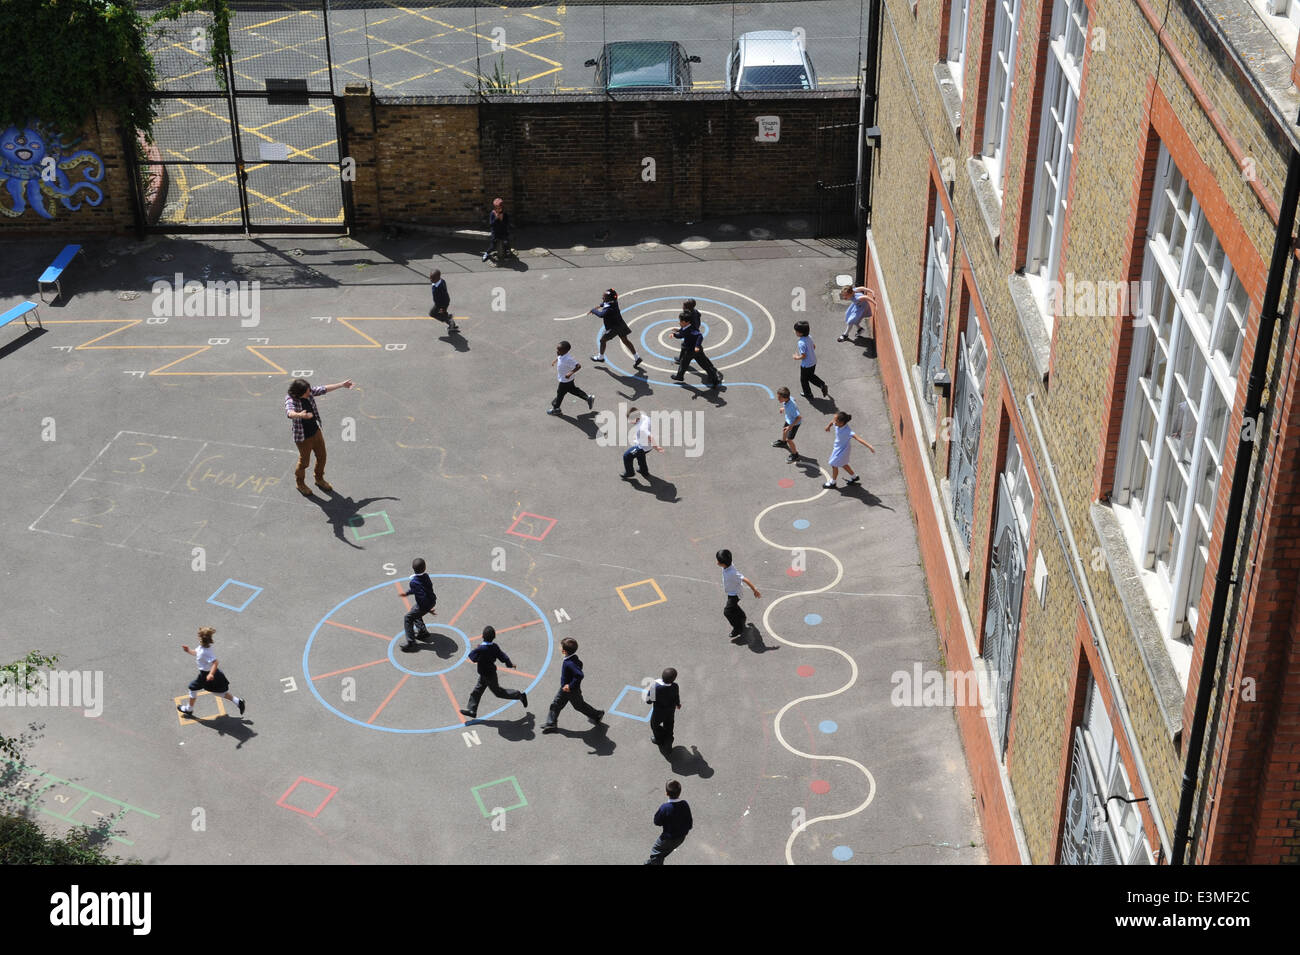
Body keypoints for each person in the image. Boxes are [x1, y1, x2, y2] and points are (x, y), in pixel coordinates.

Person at [285, 376, 354, 496]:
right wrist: (300, 415)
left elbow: (323, 389)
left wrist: (342, 384)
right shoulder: (291, 400)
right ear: (299, 393)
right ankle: (300, 483)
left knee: (322, 456)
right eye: (307, 391)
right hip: (303, 438)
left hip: (316, 432)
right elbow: (289, 413)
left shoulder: (308, 392)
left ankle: (319, 479)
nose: (310, 392)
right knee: (304, 462)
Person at [459, 625, 528, 718]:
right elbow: (503, 656)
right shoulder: (495, 647)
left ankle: (519, 695)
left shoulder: (481, 649)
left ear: (482, 636)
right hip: (488, 673)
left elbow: (472, 657)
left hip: (488, 675)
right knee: (477, 691)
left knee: (498, 692)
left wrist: (477, 648)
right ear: (493, 637)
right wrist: (510, 665)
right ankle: (472, 710)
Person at [539, 637, 604, 733]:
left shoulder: (569, 663)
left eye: (560, 647)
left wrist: (570, 686)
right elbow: (580, 664)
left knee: (579, 706)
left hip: (572, 691)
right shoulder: (573, 658)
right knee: (556, 704)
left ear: (564, 651)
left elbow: (579, 675)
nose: (559, 647)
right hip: (564, 689)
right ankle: (551, 723)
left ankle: (597, 714)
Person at [177, 627, 245, 718]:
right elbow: (197, 653)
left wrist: (211, 674)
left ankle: (189, 709)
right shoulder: (202, 647)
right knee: (218, 692)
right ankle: (238, 702)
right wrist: (188, 650)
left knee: (192, 688)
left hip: (206, 675)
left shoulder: (206, 651)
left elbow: (215, 662)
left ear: (201, 638)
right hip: (209, 674)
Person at [589, 288, 643, 368]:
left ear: (608, 299)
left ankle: (601, 357)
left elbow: (601, 315)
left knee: (602, 340)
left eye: (604, 297)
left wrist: (593, 310)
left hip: (613, 328)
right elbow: (604, 304)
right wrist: (599, 306)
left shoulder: (609, 309)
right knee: (625, 340)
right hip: (620, 324)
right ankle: (637, 357)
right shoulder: (614, 302)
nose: (602, 298)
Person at [644, 779, 693, 865]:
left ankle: (654, 863)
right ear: (680, 792)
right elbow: (689, 822)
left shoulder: (665, 807)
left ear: (666, 793)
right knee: (666, 851)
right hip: (681, 837)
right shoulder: (685, 804)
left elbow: (657, 822)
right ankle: (656, 861)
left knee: (656, 850)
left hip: (668, 838)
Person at [823, 411, 877, 488]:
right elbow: (832, 422)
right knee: (843, 463)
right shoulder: (837, 424)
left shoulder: (848, 431)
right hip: (838, 448)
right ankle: (854, 477)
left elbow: (858, 438)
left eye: (836, 420)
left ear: (841, 422)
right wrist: (828, 426)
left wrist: (869, 446)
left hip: (843, 450)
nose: (834, 422)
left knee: (833, 464)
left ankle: (833, 482)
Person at [716, 549, 760, 641]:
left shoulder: (732, 572)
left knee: (727, 612)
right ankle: (742, 616)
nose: (717, 563)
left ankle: (737, 628)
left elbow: (745, 579)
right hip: (731, 591)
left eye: (719, 562)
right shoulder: (727, 565)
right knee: (733, 607)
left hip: (735, 594)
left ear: (724, 563)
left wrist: (754, 590)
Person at [670, 312, 721, 386]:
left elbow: (699, 336)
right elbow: (682, 334)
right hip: (696, 351)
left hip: (690, 351)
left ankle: (680, 376)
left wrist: (697, 346)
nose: (679, 322)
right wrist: (675, 333)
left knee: (683, 364)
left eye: (680, 321)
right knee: (704, 364)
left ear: (685, 322)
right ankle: (714, 379)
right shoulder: (687, 327)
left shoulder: (691, 330)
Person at [398, 557, 437, 652]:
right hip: (431, 600)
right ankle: (422, 632)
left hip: (425, 604)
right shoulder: (426, 576)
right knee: (414, 611)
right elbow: (419, 590)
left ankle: (411, 642)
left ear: (413, 568)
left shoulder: (414, 582)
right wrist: (407, 593)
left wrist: (428, 609)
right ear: (425, 568)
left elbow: (422, 597)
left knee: (408, 618)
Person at [547, 340, 595, 416]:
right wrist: (555, 361)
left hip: (565, 380)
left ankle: (556, 409)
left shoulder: (568, 359)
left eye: (559, 350)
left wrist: (570, 373)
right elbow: (559, 357)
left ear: (565, 351)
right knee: (572, 390)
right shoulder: (561, 355)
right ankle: (588, 398)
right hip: (567, 379)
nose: (557, 351)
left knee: (560, 393)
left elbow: (578, 366)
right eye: (557, 349)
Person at [622, 406, 665, 480]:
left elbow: (650, 437)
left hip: (642, 447)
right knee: (640, 457)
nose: (629, 421)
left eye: (630, 420)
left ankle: (630, 472)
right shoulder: (643, 417)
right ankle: (644, 471)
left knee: (627, 456)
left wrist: (657, 447)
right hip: (646, 445)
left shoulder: (642, 428)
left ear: (637, 419)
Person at [644, 667, 681, 748]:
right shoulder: (675, 686)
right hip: (671, 710)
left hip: (659, 712)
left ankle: (658, 739)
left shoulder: (655, 687)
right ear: (674, 679)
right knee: (669, 723)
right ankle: (669, 736)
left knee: (654, 725)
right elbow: (676, 696)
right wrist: (678, 704)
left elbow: (649, 701)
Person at [793, 321, 829, 399]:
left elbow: (803, 356)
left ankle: (808, 393)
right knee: (810, 376)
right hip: (813, 361)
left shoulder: (801, 342)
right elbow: (814, 346)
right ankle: (822, 384)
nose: (795, 332)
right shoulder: (809, 337)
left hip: (806, 365)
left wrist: (796, 357)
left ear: (801, 333)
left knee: (803, 380)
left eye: (796, 331)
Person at [775, 387, 802, 463]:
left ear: (785, 398)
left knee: (789, 439)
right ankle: (783, 442)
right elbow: (794, 400)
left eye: (779, 397)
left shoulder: (791, 406)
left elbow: (799, 417)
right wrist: (783, 408)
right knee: (784, 430)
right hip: (789, 419)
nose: (778, 399)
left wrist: (790, 427)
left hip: (794, 423)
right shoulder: (788, 399)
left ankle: (795, 455)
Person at [482, 197, 512, 263]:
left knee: (506, 242)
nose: (498, 210)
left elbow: (506, 225)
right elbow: (491, 225)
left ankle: (507, 253)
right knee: (493, 246)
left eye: (499, 208)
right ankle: (486, 253)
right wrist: (496, 218)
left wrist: (501, 220)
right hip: (495, 232)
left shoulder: (505, 214)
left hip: (503, 232)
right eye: (496, 208)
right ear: (494, 208)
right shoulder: (492, 213)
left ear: (502, 207)